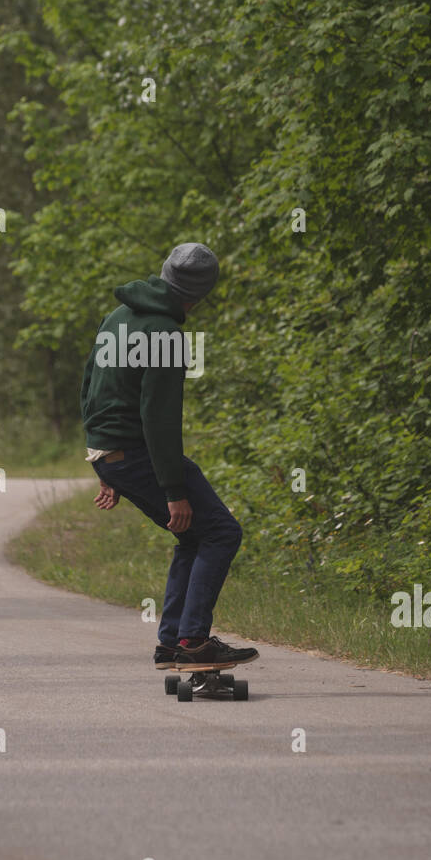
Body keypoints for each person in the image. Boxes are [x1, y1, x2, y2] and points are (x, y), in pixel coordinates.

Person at [81, 242, 259, 672]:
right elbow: (159, 419)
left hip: (112, 452)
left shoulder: (117, 318)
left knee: (194, 536)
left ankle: (172, 642)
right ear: (200, 295)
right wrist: (173, 490)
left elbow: (91, 387)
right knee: (221, 533)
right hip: (137, 453)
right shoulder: (166, 334)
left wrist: (101, 461)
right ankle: (194, 642)